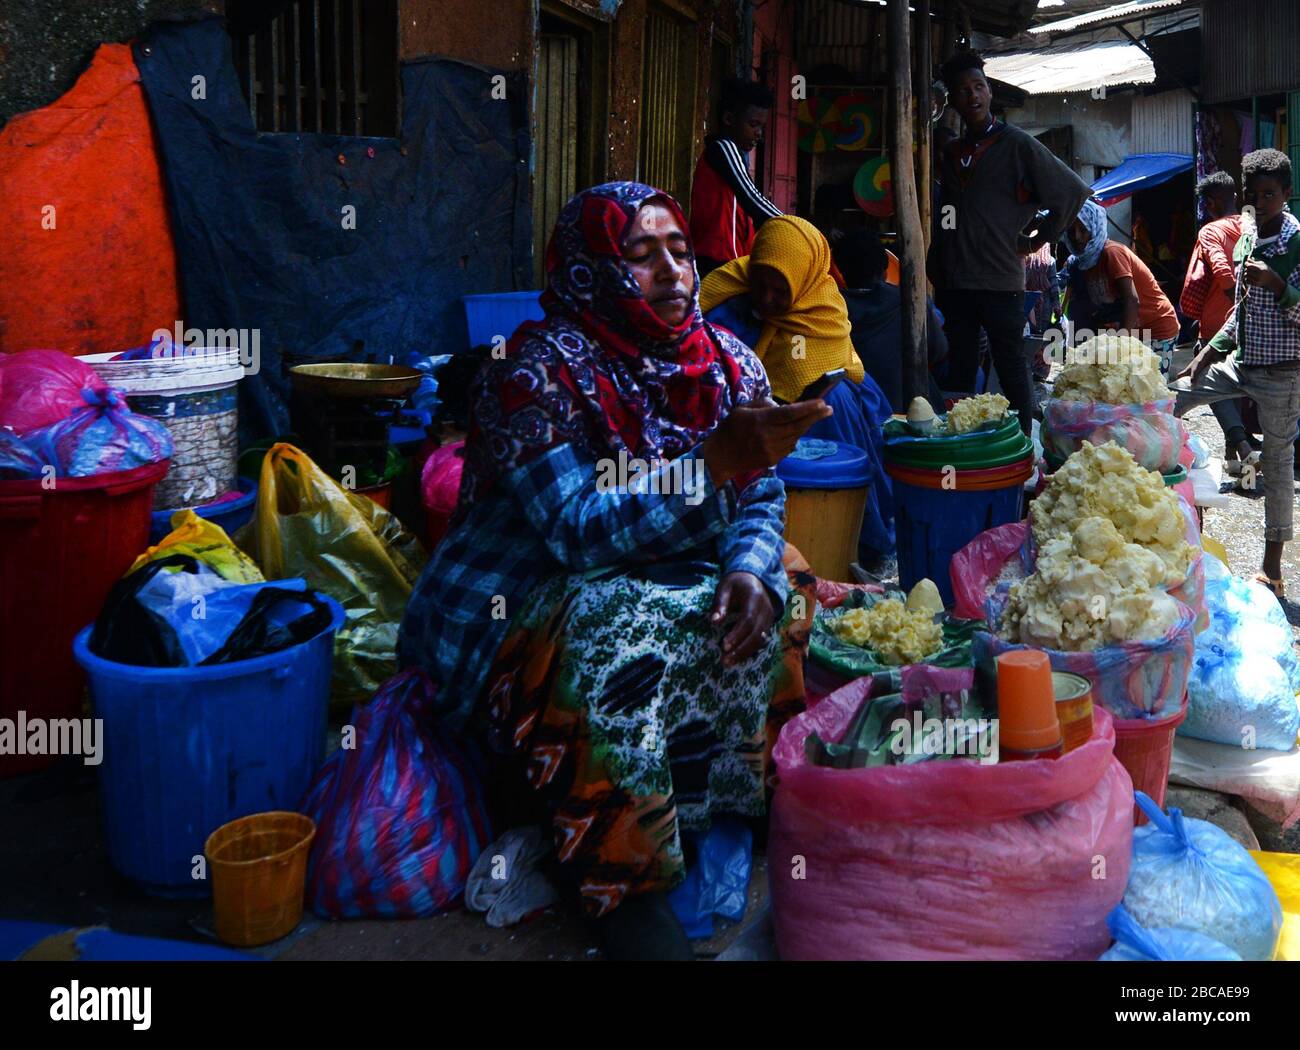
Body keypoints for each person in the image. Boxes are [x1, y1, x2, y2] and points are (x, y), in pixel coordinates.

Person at [399, 182, 828, 959]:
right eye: (639, 255)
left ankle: (720, 803)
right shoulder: (533, 373)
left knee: (786, 586)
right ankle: (622, 882)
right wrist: (713, 464)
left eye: (679, 251)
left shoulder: (725, 361)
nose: (671, 271)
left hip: (661, 565)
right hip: (518, 600)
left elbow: (761, 494)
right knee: (618, 634)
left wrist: (747, 568)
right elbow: (574, 528)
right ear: (592, 270)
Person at [699, 215, 897, 563]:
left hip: (827, 415)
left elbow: (847, 371)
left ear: (803, 279)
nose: (767, 298)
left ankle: (860, 535)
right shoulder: (729, 301)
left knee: (841, 401)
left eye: (780, 290)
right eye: (760, 285)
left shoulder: (822, 304)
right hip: (746, 427)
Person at [928, 49, 1092, 433]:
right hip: (956, 281)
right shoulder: (953, 152)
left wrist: (1036, 241)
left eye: (979, 88)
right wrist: (942, 254)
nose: (973, 96)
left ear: (989, 94)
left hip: (1001, 279)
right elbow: (951, 212)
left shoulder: (1016, 144)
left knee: (1011, 365)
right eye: (963, 90)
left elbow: (1070, 191)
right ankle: (963, 442)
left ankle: (1026, 446)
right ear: (951, 99)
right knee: (962, 368)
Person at [1172, 149, 1300, 598]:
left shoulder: (1295, 242)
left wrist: (1281, 287)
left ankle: (1272, 571)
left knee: (1278, 468)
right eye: (1253, 195)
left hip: (1283, 375)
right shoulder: (1246, 237)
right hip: (1240, 362)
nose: (1261, 203)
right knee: (1171, 399)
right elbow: (1240, 310)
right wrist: (1205, 354)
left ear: (1287, 194)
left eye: (1270, 194)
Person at [831, 227, 949, 414]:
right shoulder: (913, 300)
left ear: (841, 271)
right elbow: (939, 351)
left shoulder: (831, 310)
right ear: (886, 267)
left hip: (862, 413)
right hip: (917, 411)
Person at [1180, 172, 1253, 474]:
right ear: (1235, 197)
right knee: (1235, 390)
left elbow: (1223, 273)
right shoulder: (1252, 225)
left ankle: (1243, 446)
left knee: (1209, 382)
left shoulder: (1211, 231)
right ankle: (1235, 461)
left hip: (1217, 326)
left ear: (1210, 203)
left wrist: (1236, 305)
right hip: (1251, 327)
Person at [1063, 199, 1181, 373]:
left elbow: (1132, 301)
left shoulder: (1112, 253)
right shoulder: (1083, 262)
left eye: (1083, 230)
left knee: (1148, 391)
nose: (1077, 237)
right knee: (1120, 389)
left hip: (1156, 329)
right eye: (1072, 231)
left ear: (1095, 228)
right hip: (1130, 332)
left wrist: (1120, 345)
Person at [690, 78, 782, 278]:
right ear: (729, 119)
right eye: (753, 124)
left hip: (725, 261)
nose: (758, 134)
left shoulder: (732, 155)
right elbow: (753, 199)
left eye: (761, 127)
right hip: (717, 262)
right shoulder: (723, 148)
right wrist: (793, 227)